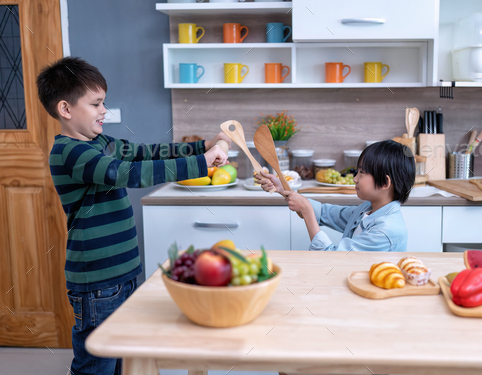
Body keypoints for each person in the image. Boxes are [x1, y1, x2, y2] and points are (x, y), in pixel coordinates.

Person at [36, 56, 230, 374]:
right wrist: (202, 163)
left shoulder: (99, 143)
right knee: (96, 362)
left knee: (122, 356)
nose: (104, 111)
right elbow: (125, 173)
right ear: (66, 110)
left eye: (104, 103)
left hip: (123, 272)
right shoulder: (70, 153)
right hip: (97, 280)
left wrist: (202, 146)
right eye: (96, 104)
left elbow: (146, 152)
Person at [256, 140, 415, 252]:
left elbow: (334, 259)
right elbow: (326, 213)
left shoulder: (386, 230)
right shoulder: (367, 210)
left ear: (385, 183)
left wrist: (307, 213)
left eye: (362, 172)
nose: (355, 178)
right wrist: (282, 187)